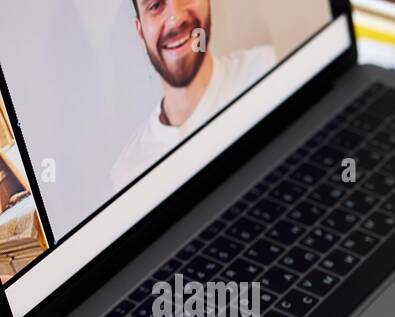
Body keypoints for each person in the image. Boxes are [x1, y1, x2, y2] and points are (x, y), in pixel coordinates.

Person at [111, 0, 275, 191]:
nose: (175, 20)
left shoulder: (270, 68)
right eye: (155, 5)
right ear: (141, 32)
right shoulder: (129, 173)